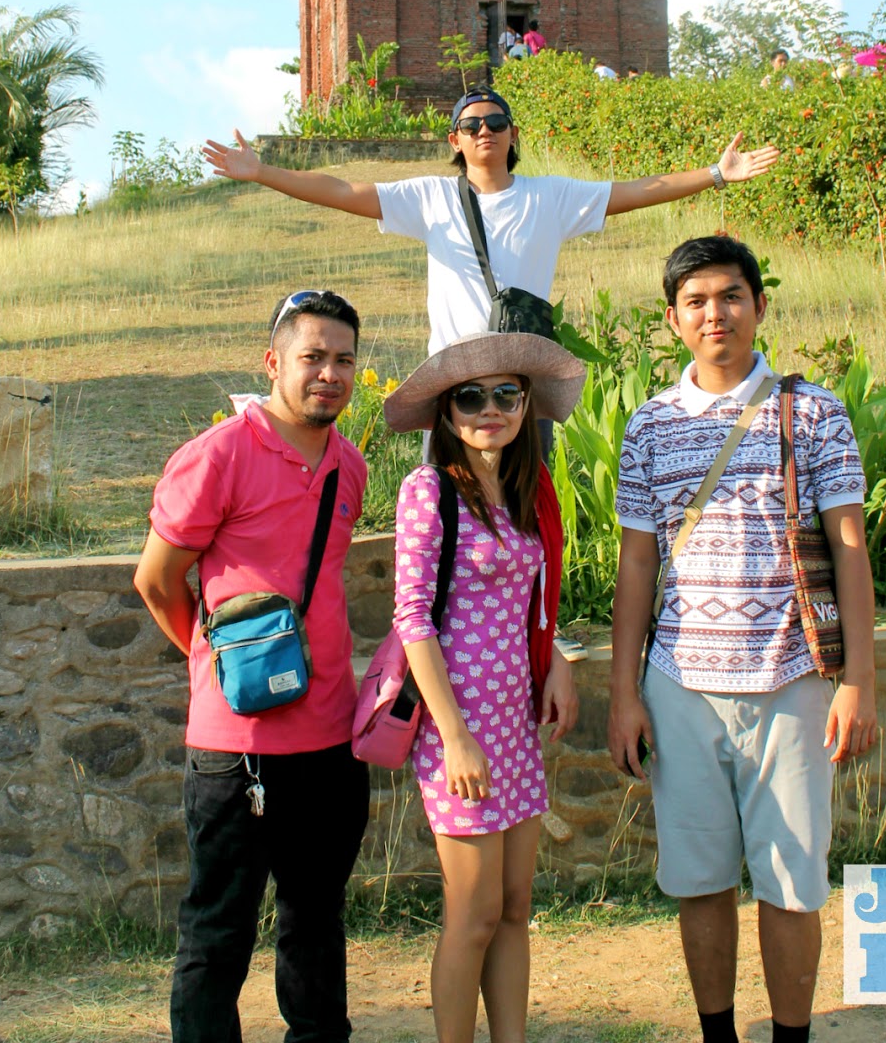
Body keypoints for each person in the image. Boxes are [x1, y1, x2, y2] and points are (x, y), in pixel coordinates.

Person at [607, 237, 876, 1043]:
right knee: (699, 880)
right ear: (673, 319)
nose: (714, 313)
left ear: (760, 305)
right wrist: (624, 695)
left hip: (791, 678)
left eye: (730, 296)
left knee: (793, 883)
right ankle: (717, 1034)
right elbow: (636, 566)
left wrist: (858, 680)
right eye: (695, 301)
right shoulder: (649, 425)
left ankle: (791, 1036)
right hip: (680, 684)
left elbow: (851, 549)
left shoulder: (817, 412)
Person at [134, 290, 370, 1043]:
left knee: (316, 923)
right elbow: (156, 579)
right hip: (235, 752)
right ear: (273, 362)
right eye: (312, 357)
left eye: (343, 360)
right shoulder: (217, 455)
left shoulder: (351, 467)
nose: (328, 374)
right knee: (217, 932)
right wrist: (211, 666)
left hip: (330, 741)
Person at [203, 87, 779, 358]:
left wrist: (715, 174)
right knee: (447, 514)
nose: (485, 130)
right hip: (452, 369)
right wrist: (264, 173)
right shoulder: (430, 198)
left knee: (525, 511)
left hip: (524, 368)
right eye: (471, 123)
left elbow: (639, 190)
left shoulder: (550, 197)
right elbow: (340, 190)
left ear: (512, 134)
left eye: (497, 121)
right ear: (454, 139)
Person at [383, 330, 586, 1043]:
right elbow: (412, 616)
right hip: (456, 731)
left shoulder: (527, 491)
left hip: (513, 728)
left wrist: (557, 655)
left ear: (528, 403)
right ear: (446, 412)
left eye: (506, 393)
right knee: (470, 917)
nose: (489, 408)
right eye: (470, 396)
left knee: (512, 908)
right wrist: (458, 738)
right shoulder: (429, 491)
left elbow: (530, 599)